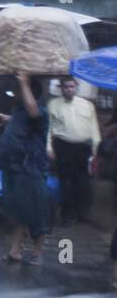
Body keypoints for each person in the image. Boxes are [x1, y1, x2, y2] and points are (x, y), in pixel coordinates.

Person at [0, 73, 50, 264]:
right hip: (14, 166)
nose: (15, 93)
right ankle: (15, 251)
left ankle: (37, 252)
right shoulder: (20, 111)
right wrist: (8, 119)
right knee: (18, 211)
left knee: (35, 210)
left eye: (18, 91)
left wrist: (24, 82)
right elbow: (24, 117)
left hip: (30, 169)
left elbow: (33, 112)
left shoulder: (41, 111)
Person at [46, 77, 101, 225]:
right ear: (61, 88)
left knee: (82, 181)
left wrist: (95, 147)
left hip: (83, 148)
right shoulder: (53, 104)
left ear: (76, 87)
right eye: (66, 87)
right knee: (66, 181)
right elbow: (48, 128)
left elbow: (93, 127)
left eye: (72, 86)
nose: (69, 89)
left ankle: (81, 212)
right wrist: (49, 147)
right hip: (63, 146)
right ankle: (67, 214)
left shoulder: (87, 105)